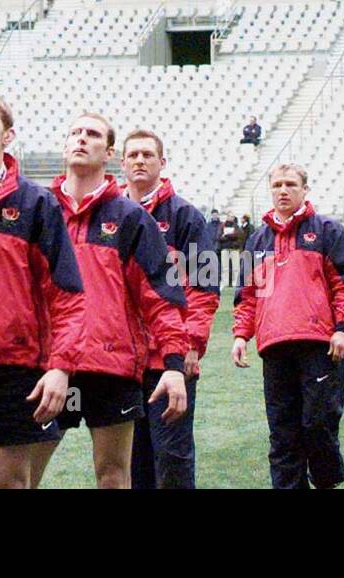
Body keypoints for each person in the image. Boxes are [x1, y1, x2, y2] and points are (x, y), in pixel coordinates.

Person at [0, 88, 86, 490]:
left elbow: (67, 295)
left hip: (13, 369)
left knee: (11, 483)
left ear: (7, 136)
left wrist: (62, 367)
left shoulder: (35, 204)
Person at [47, 117, 189, 489]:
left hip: (111, 367)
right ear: (65, 147)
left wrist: (174, 363)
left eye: (92, 134)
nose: (81, 139)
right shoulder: (41, 210)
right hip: (49, 365)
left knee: (113, 476)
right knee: (16, 476)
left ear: (109, 153)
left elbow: (161, 295)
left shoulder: (130, 218)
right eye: (75, 132)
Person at [232, 164, 344, 489]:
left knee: (318, 426)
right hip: (274, 347)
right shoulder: (257, 240)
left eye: (291, 184)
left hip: (319, 346)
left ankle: (326, 482)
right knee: (282, 433)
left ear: (305, 189)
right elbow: (248, 294)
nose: (283, 190)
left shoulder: (328, 231)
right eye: (277, 185)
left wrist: (343, 328)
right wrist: (240, 335)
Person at [120, 128, 219, 489]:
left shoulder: (186, 217)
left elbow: (205, 288)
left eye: (148, 155)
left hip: (170, 357)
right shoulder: (110, 216)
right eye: (133, 155)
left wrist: (191, 344)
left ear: (162, 163)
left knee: (172, 457)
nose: (140, 161)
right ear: (122, 163)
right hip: (123, 360)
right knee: (131, 462)